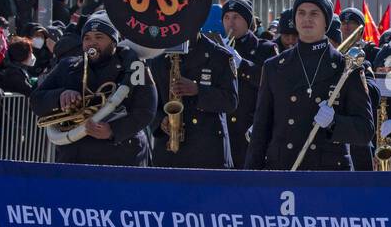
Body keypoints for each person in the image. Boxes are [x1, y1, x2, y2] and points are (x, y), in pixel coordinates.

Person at [244, 0, 373, 171]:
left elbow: (365, 131)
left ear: (326, 21)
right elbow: (260, 130)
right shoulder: (274, 67)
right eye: (301, 13)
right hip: (285, 168)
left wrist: (334, 123)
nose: (307, 19)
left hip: (329, 173)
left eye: (314, 13)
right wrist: (252, 180)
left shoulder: (346, 67)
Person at [30, 13, 158, 166]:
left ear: (113, 42)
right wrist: (60, 96)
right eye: (87, 38)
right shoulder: (67, 66)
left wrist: (113, 131)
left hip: (122, 158)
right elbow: (36, 100)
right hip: (75, 158)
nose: (92, 43)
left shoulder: (133, 66)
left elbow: (146, 110)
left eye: (99, 37)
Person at [148, 29, 239, 169]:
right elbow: (149, 104)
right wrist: (161, 121)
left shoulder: (219, 56)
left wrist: (198, 91)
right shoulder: (159, 59)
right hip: (169, 155)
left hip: (207, 154)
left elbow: (231, 101)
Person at [219, 0, 278, 170]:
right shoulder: (216, 48)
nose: (231, 22)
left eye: (236, 17)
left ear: (247, 20)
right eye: (227, 17)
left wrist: (242, 64)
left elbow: (273, 83)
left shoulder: (265, 48)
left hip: (250, 131)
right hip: (224, 133)